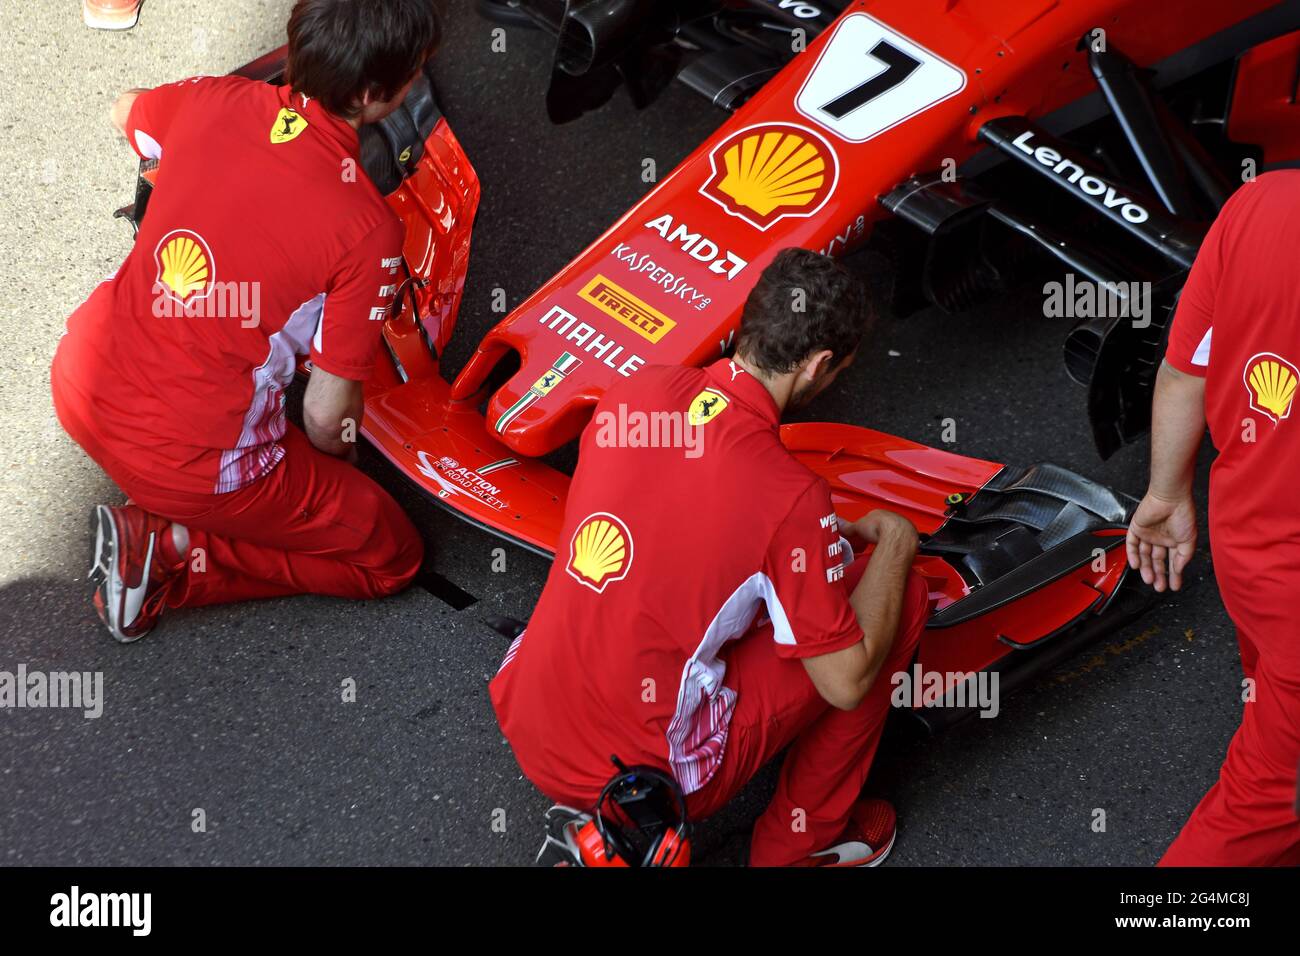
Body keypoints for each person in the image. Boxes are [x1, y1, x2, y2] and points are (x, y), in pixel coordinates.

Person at [490, 248, 930, 866]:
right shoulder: (791, 498)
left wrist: (824, 541)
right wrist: (896, 545)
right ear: (820, 366)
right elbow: (846, 682)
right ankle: (798, 848)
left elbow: (686, 533)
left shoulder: (635, 392)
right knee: (902, 594)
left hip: (528, 715)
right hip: (642, 777)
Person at [51, 0, 441, 642]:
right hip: (188, 458)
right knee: (392, 557)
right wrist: (334, 472)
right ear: (375, 97)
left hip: (80, 382)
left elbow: (125, 109)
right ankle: (171, 548)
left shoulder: (213, 98)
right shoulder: (369, 230)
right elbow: (324, 417)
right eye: (414, 76)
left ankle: (175, 522)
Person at [1126, 169, 1300, 866]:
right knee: (1259, 807)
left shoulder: (1261, 201)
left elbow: (1185, 369)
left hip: (1245, 539)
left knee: (1270, 710)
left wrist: (1167, 493)